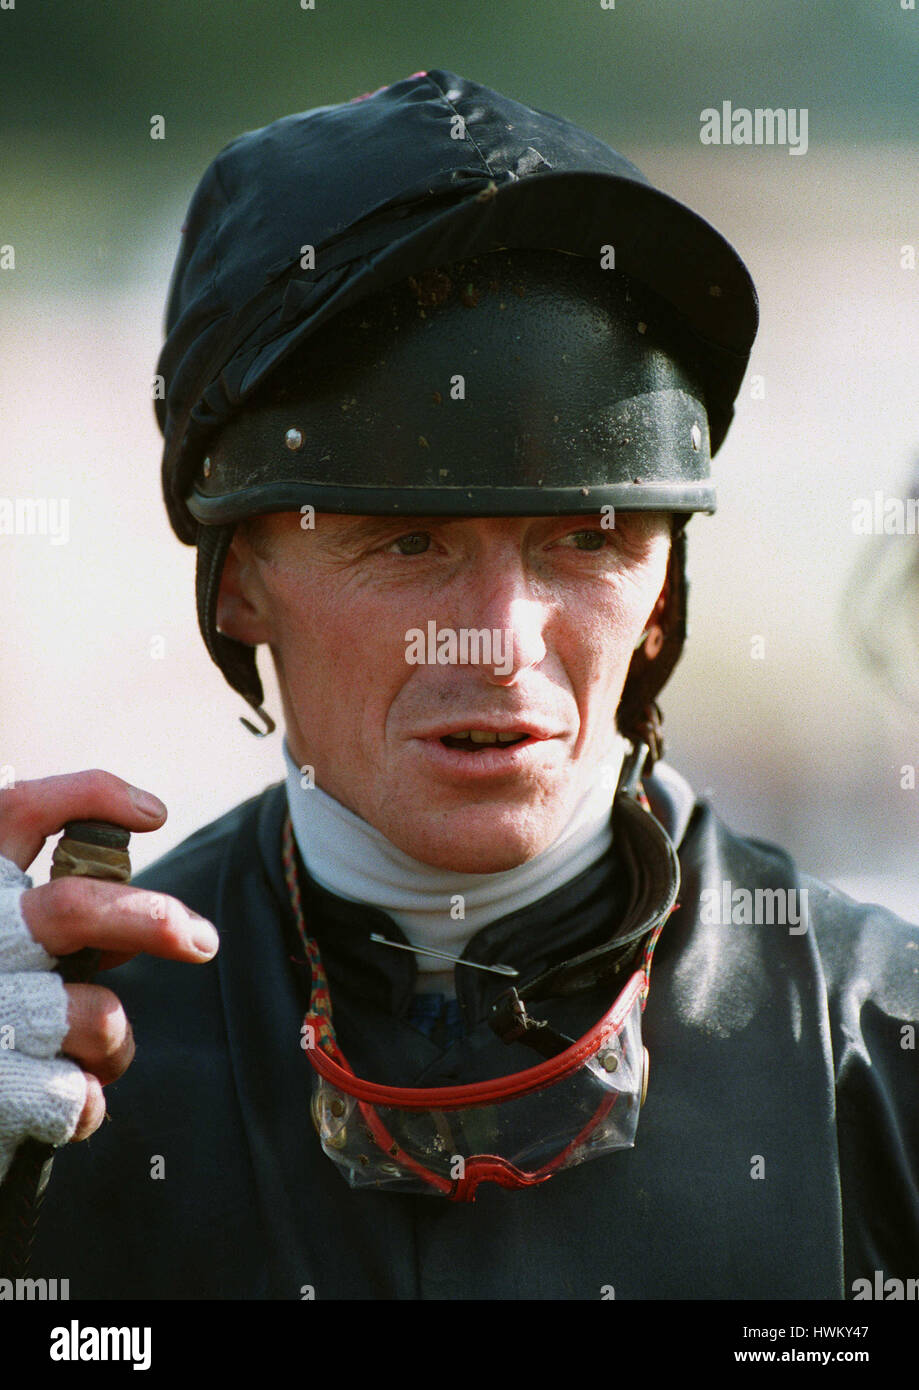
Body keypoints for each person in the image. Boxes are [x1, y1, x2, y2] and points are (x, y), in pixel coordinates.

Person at [1, 69, 916, 1301]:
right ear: (237, 583)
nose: (495, 641)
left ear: (664, 592)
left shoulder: (879, 1051)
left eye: (585, 540)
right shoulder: (65, 1066)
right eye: (406, 542)